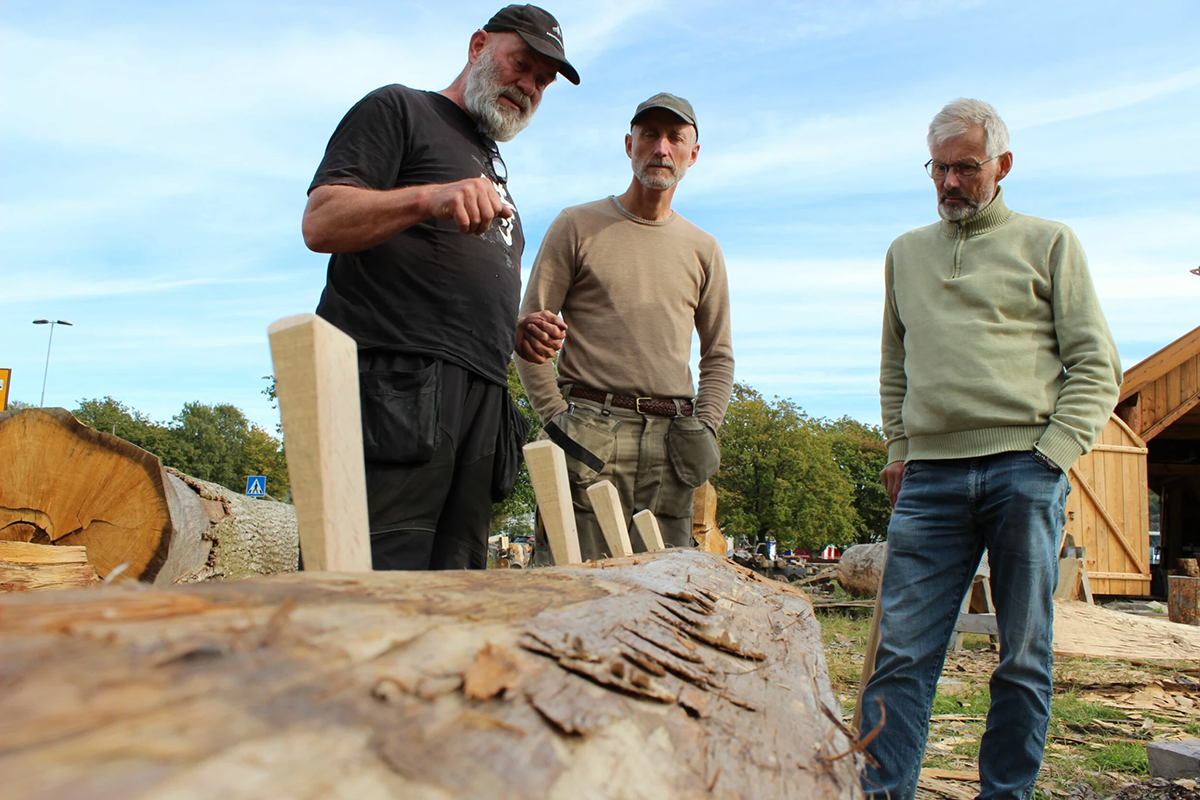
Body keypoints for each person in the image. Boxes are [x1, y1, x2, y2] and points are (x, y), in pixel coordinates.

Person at [859, 99, 1122, 800]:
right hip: (930, 480)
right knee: (901, 655)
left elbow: (1097, 365)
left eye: (966, 167)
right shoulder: (904, 253)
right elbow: (894, 364)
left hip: (1023, 470)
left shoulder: (1051, 243)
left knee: (1024, 657)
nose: (950, 182)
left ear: (1002, 166)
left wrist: (1052, 456)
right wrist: (898, 445)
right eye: (938, 168)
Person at [301, 5, 579, 571]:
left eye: (542, 81)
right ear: (478, 45)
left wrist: (516, 331)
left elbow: (449, 282)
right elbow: (321, 220)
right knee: (364, 587)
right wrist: (429, 197)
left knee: (454, 598)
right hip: (395, 392)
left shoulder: (493, 168)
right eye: (519, 64)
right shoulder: (400, 108)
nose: (527, 86)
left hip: (480, 406)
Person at [514, 93, 734, 561]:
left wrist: (707, 427)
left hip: (674, 441)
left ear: (693, 155)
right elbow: (528, 331)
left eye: (676, 138)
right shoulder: (576, 225)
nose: (661, 148)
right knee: (576, 590)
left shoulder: (704, 248)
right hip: (589, 430)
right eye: (650, 135)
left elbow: (718, 354)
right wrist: (557, 420)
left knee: (666, 596)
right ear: (629, 144)